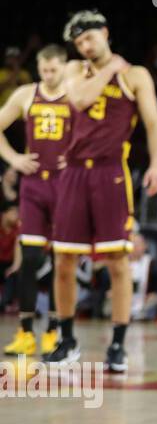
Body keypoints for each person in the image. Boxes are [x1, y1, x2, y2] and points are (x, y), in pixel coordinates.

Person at [45, 12, 157, 372]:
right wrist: (107, 68)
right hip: (73, 174)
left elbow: (154, 123)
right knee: (63, 260)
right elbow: (80, 100)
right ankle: (66, 341)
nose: (84, 46)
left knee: (117, 261)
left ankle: (117, 345)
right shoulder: (73, 71)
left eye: (89, 38)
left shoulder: (134, 74)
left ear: (105, 33)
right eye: (79, 43)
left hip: (111, 173)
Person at [0, 44, 71, 357]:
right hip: (33, 185)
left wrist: (77, 158)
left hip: (65, 186)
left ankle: (55, 331)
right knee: (30, 259)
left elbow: (98, 132)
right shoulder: (26, 94)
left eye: (54, 69)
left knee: (61, 259)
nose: (49, 75)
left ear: (64, 67)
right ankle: (26, 331)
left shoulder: (76, 95)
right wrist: (14, 158)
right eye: (44, 69)